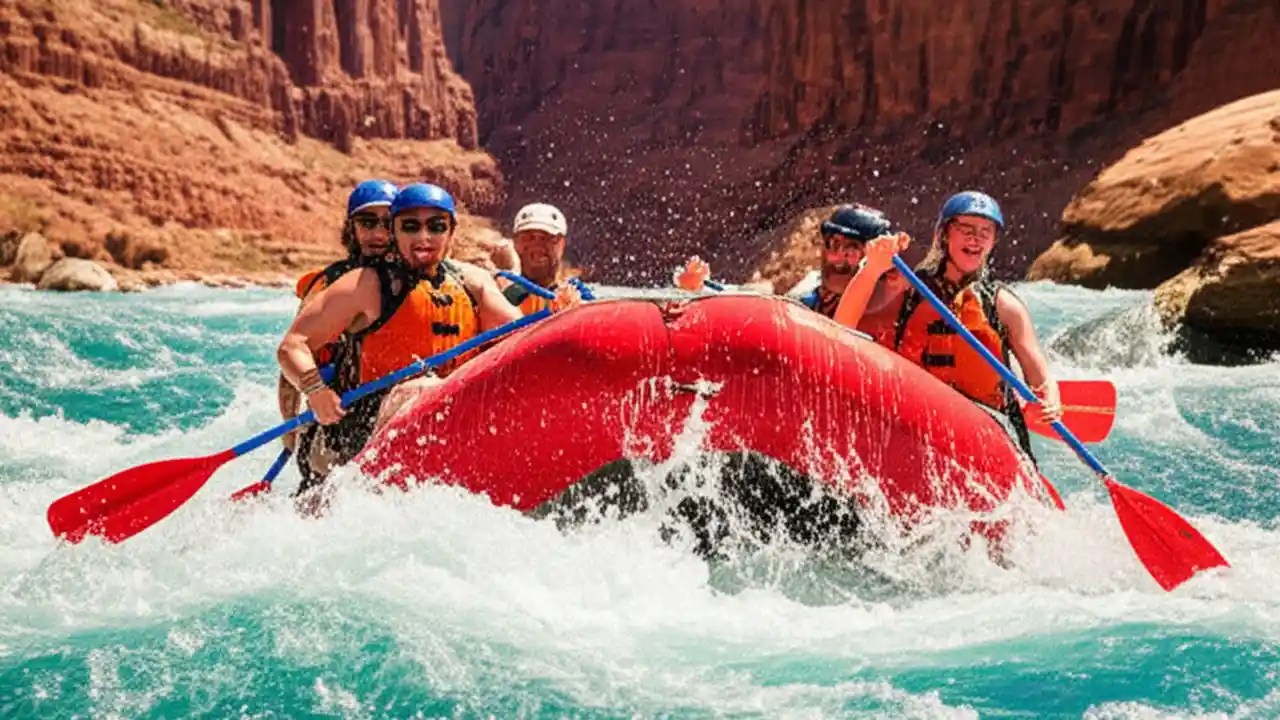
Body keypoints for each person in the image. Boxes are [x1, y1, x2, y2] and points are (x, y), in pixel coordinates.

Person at [277, 183, 581, 495]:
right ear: (396, 232)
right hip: (362, 426)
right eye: (411, 226)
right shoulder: (364, 285)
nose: (424, 237)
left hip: (451, 417)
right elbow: (292, 346)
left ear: (451, 233)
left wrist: (560, 317)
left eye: (436, 227)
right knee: (423, 388)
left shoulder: (471, 282)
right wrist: (315, 391)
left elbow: (524, 340)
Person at [832, 191, 1063, 460]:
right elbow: (842, 328)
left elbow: (1040, 375)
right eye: (965, 229)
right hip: (913, 420)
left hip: (986, 428)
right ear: (944, 234)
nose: (975, 238)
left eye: (985, 231)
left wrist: (1050, 400)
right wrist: (872, 269)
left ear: (992, 242)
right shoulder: (910, 290)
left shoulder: (1003, 305)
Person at [277, 179, 398, 453]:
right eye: (367, 222)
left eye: (388, 223)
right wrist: (290, 435)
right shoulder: (328, 284)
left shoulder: (417, 280)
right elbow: (291, 356)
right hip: (338, 419)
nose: (378, 234)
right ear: (352, 229)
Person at [674, 204, 893, 319]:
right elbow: (760, 306)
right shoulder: (809, 298)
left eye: (853, 251)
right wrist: (700, 290)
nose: (839, 260)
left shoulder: (888, 307)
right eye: (834, 245)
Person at [497, 202, 570, 314]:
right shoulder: (498, 300)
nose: (537, 245)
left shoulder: (578, 300)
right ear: (516, 243)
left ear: (562, 244)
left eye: (547, 238)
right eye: (528, 237)